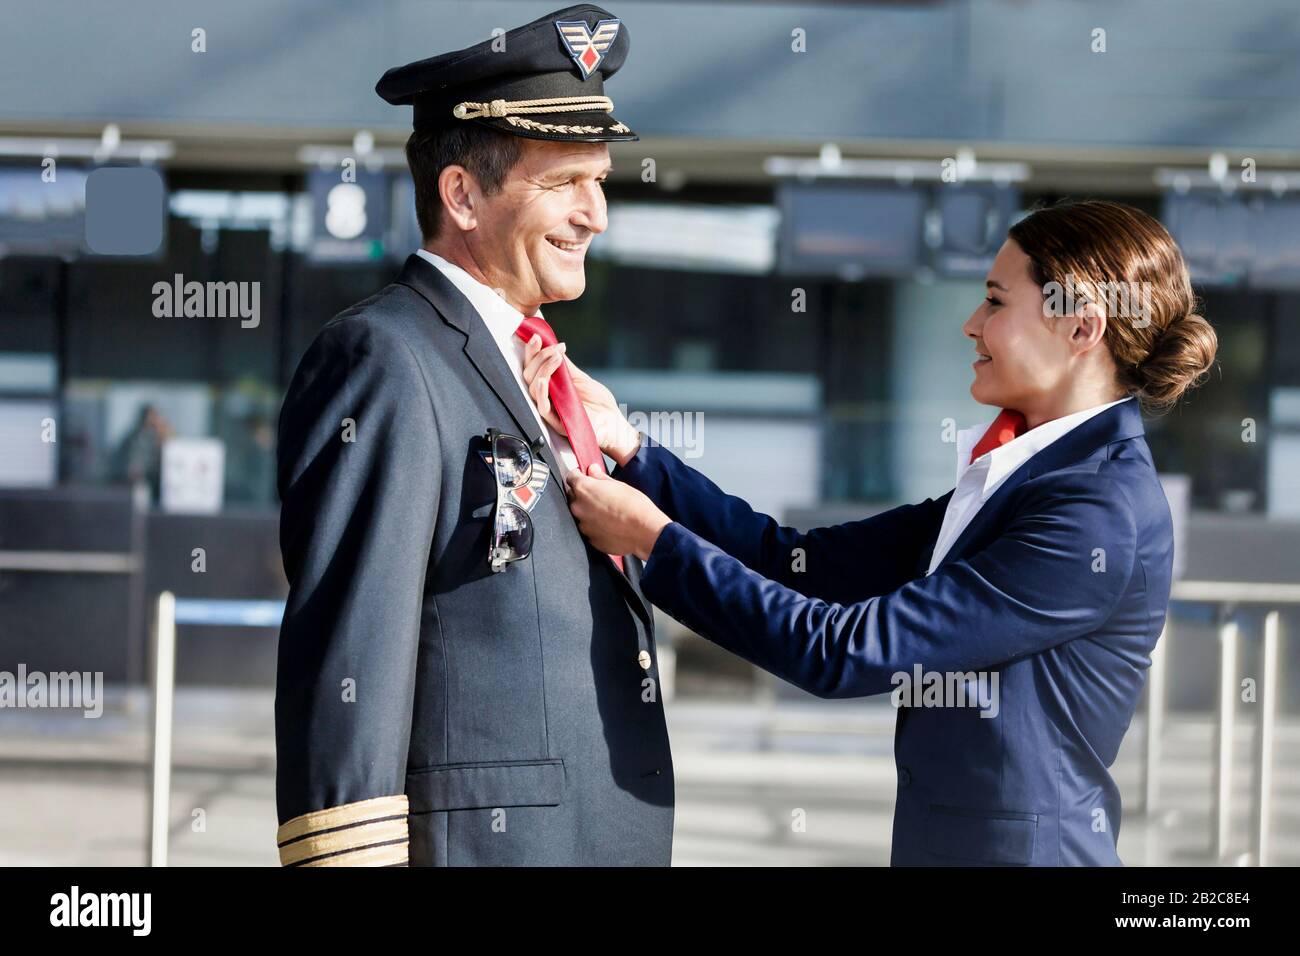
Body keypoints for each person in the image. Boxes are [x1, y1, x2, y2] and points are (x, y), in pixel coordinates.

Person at [522, 199, 1218, 865]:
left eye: (997, 301)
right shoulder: (1026, 477)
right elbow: (792, 561)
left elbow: (845, 652)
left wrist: (656, 542)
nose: (971, 324)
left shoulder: (1092, 510)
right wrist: (631, 449)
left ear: (1081, 327)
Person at [274, 5, 673, 867]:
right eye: (563, 182)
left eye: (599, 181)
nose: (594, 214)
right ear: (461, 193)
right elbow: (354, 647)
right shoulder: (384, 356)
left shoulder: (540, 370)